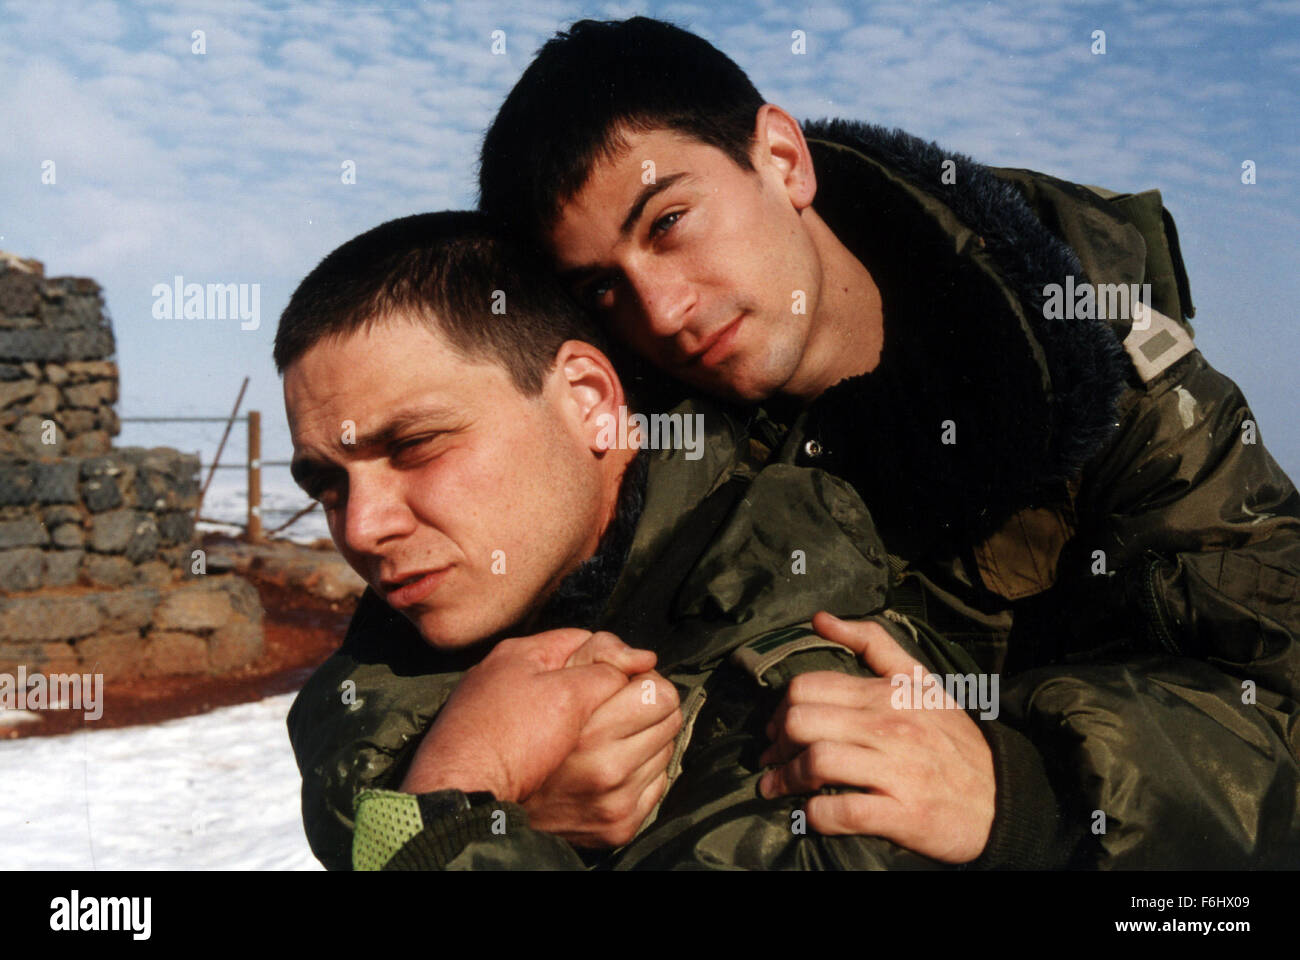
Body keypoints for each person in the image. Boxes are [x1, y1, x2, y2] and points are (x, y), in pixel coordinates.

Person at [468, 17, 1300, 867]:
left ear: (782, 159)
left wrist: (1022, 792)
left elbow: (1277, 706)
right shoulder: (614, 451)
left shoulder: (1120, 392)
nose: (662, 310)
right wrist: (498, 783)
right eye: (602, 288)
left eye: (670, 222)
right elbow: (421, 681)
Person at [280, 211, 982, 871]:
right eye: (328, 485)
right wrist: (511, 817)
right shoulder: (383, 683)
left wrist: (453, 791)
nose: (362, 527)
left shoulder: (809, 709)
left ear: (587, 399)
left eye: (414, 445)